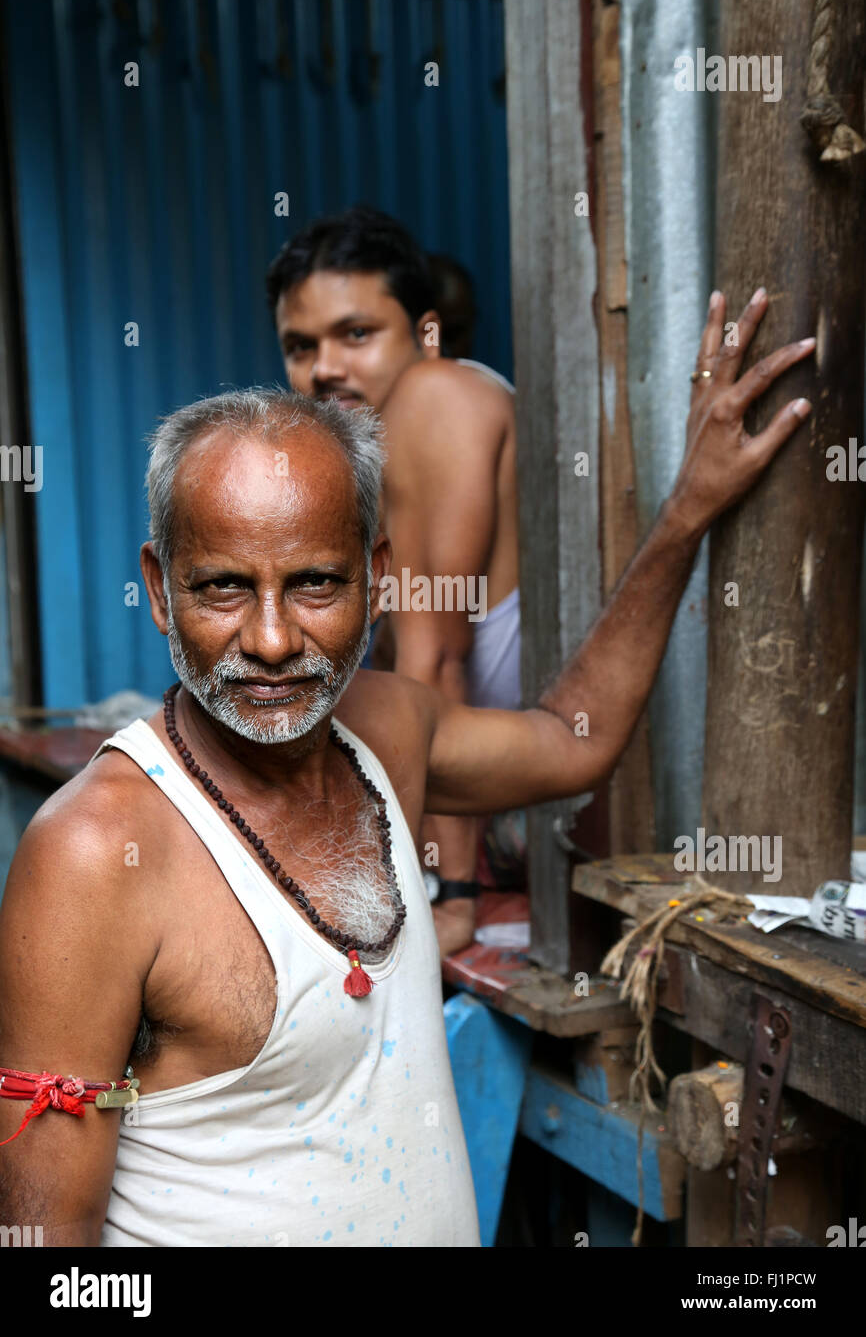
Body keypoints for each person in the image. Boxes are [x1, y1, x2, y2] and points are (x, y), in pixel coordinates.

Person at [0, 288, 814, 1245]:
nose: (270, 640)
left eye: (315, 584)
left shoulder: (384, 733)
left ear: (379, 578)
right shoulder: (96, 853)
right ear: (157, 590)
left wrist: (688, 510)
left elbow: (576, 736)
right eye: (223, 587)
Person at [266, 207, 520, 956]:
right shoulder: (368, 462)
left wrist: (442, 894)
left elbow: (433, 669)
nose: (324, 369)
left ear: (428, 334)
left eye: (356, 334)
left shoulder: (437, 397)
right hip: (500, 822)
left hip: (520, 826)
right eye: (299, 346)